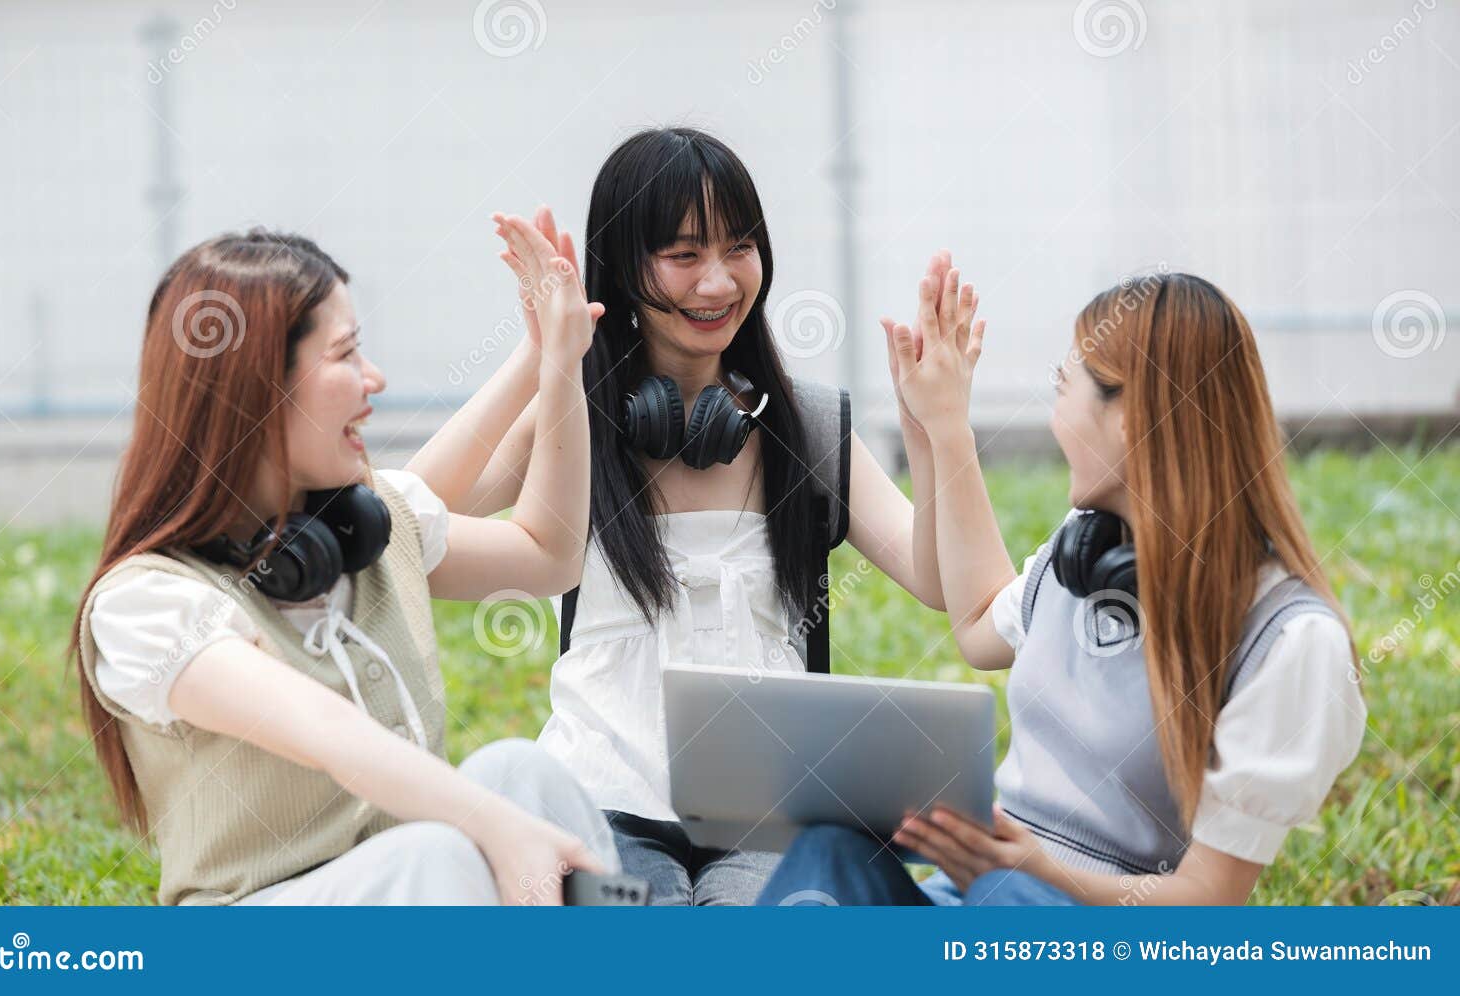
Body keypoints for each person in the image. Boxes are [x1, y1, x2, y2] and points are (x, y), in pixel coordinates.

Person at [417, 128, 957, 904]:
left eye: (739, 247)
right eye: (682, 255)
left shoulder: (808, 427)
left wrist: (936, 434)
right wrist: (545, 356)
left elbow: (941, 581)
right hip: (602, 806)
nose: (717, 282)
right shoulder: (572, 419)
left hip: (770, 818)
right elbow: (408, 518)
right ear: (624, 267)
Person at [757, 263, 1367, 905]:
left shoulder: (1291, 640)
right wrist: (939, 424)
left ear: (1130, 415)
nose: (1053, 416)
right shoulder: (1088, 550)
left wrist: (1037, 874)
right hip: (979, 897)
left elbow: (1210, 900)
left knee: (1007, 900)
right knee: (828, 856)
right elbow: (976, 624)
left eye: (1061, 387)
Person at [71, 217, 618, 905]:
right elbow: (327, 732)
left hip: (418, 897)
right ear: (258, 389)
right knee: (436, 853)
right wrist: (498, 831)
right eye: (347, 355)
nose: (375, 379)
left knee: (520, 774)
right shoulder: (147, 606)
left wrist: (555, 358)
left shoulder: (362, 530)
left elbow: (547, 556)